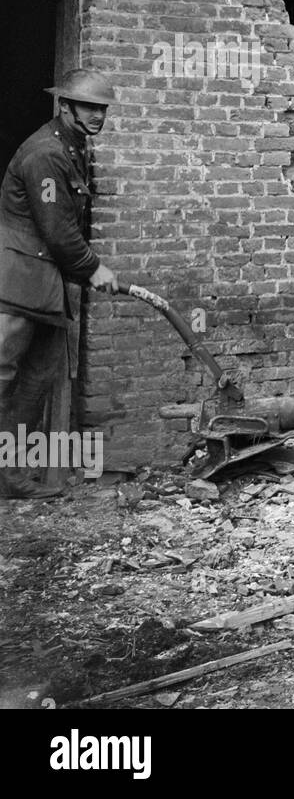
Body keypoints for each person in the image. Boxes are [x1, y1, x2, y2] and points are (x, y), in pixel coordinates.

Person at [0, 69, 119, 500]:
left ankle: (11, 478)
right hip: (16, 283)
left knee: (38, 378)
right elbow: (58, 230)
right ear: (64, 106)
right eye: (88, 106)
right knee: (3, 374)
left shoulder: (73, 148)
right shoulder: (45, 154)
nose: (97, 115)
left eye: (101, 108)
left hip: (44, 283)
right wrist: (92, 268)